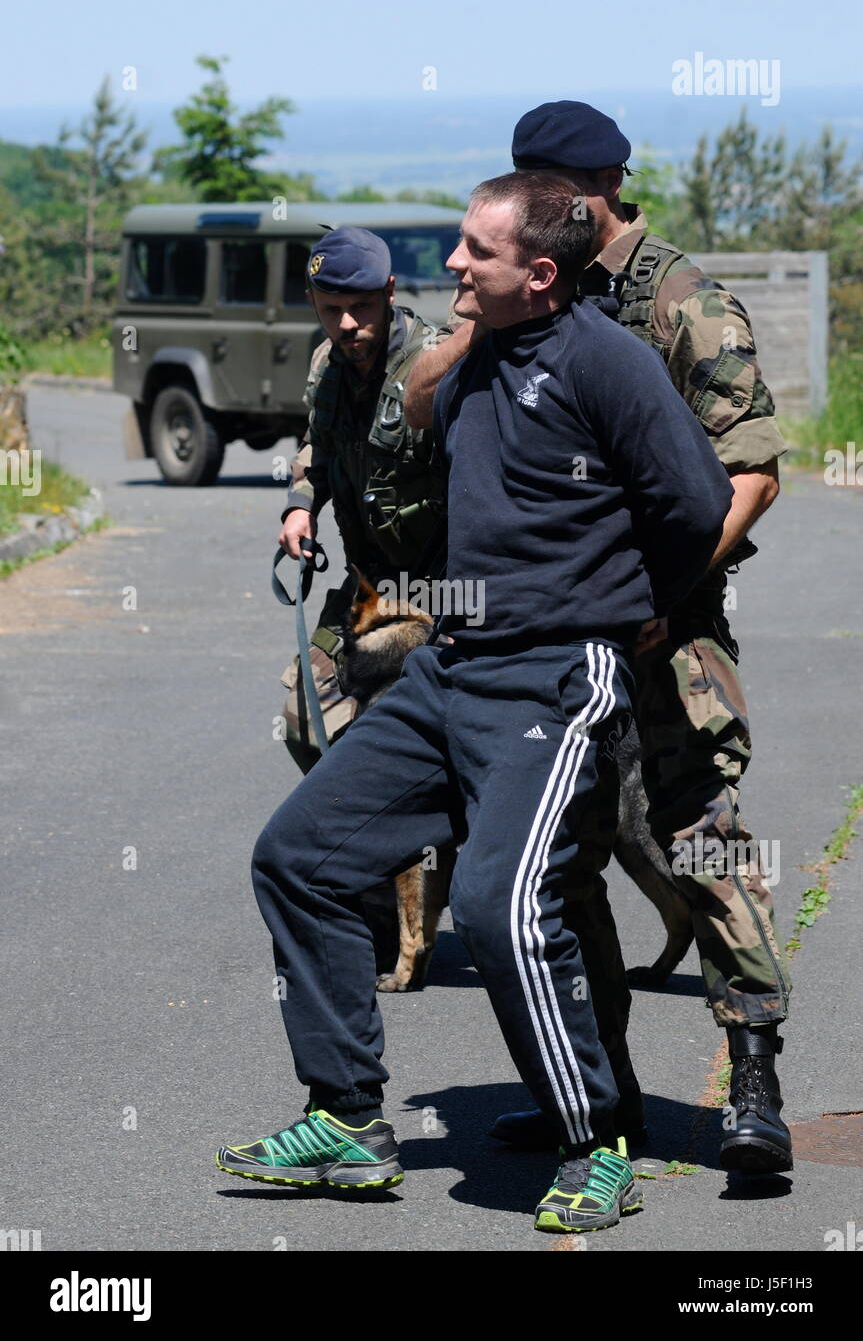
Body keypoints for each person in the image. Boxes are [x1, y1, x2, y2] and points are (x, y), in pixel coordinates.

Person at [217, 171, 733, 1234]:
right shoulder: (478, 356)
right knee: (298, 855)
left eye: (473, 253)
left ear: (539, 273)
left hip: (554, 677)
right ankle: (348, 1118)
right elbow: (414, 417)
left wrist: (638, 604)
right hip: (448, 666)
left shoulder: (612, 364)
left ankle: (592, 1142)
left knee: (500, 905)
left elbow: (695, 501)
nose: (451, 264)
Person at [405, 102, 792, 1176]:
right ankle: (596, 1090)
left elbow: (749, 472)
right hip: (553, 642)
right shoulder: (527, 283)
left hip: (664, 633)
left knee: (705, 841)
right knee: (564, 864)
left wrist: (662, 591)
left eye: (544, 183)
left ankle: (751, 1080)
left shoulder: (681, 298)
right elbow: (419, 403)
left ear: (592, 190)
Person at [278, 226, 443, 774]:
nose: (347, 323)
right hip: (367, 584)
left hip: (439, 590)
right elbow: (317, 444)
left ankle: (424, 853)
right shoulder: (326, 364)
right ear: (313, 303)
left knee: (404, 741)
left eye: (362, 307)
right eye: (332, 309)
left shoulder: (435, 366)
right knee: (307, 723)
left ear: (390, 291)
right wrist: (301, 504)